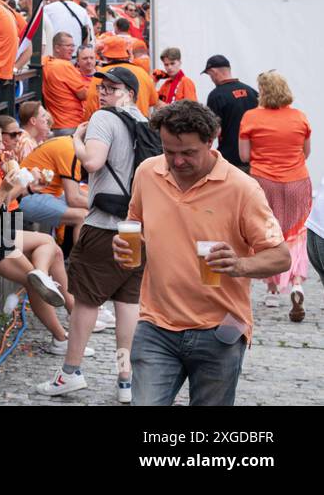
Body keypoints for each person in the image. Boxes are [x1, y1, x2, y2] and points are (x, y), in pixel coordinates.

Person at [114, 101, 290, 406]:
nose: (177, 161)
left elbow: (280, 256)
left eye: (188, 153)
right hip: (156, 324)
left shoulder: (242, 188)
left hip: (219, 330)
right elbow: (136, 224)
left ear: (211, 141)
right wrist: (129, 244)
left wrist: (240, 264)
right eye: (169, 152)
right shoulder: (147, 172)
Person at [38, 67, 149, 402]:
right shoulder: (143, 121)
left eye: (112, 88)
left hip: (103, 226)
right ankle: (125, 378)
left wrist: (76, 139)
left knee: (86, 300)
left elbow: (92, 162)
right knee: (128, 302)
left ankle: (70, 373)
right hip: (136, 225)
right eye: (101, 88)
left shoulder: (104, 118)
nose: (103, 94)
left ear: (129, 91)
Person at [0, 120, 84, 358]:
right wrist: (3, 191)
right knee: (32, 282)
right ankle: (61, 338)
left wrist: (29, 188)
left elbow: (7, 202)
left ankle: (63, 298)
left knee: (51, 247)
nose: (3, 147)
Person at [238, 71, 312, 321]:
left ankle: (270, 291)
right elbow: (306, 152)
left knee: (270, 232)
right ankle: (297, 284)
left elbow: (244, 157)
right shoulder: (299, 117)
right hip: (297, 182)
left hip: (264, 181)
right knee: (297, 234)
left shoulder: (250, 117)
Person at [19, 134, 89, 239]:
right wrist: (103, 206)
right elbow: (73, 199)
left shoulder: (68, 142)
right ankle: (79, 256)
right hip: (24, 195)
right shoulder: (70, 150)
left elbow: (76, 190)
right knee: (83, 216)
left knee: (88, 206)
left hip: (42, 192)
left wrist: (98, 200)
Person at [202, 55, 259, 171]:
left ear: (213, 72)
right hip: (255, 159)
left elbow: (214, 130)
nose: (211, 79)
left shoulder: (216, 96)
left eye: (210, 75)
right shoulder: (252, 91)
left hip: (231, 161)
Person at [82, 35, 157, 118]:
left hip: (111, 127)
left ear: (105, 56)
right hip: (139, 127)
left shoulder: (102, 75)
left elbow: (91, 105)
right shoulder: (142, 72)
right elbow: (153, 101)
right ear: (126, 54)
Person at [41, 32, 91, 134]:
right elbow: (83, 94)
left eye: (73, 46)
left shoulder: (46, 62)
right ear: (57, 48)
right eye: (68, 46)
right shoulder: (64, 65)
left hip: (56, 124)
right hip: (71, 124)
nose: (72, 49)